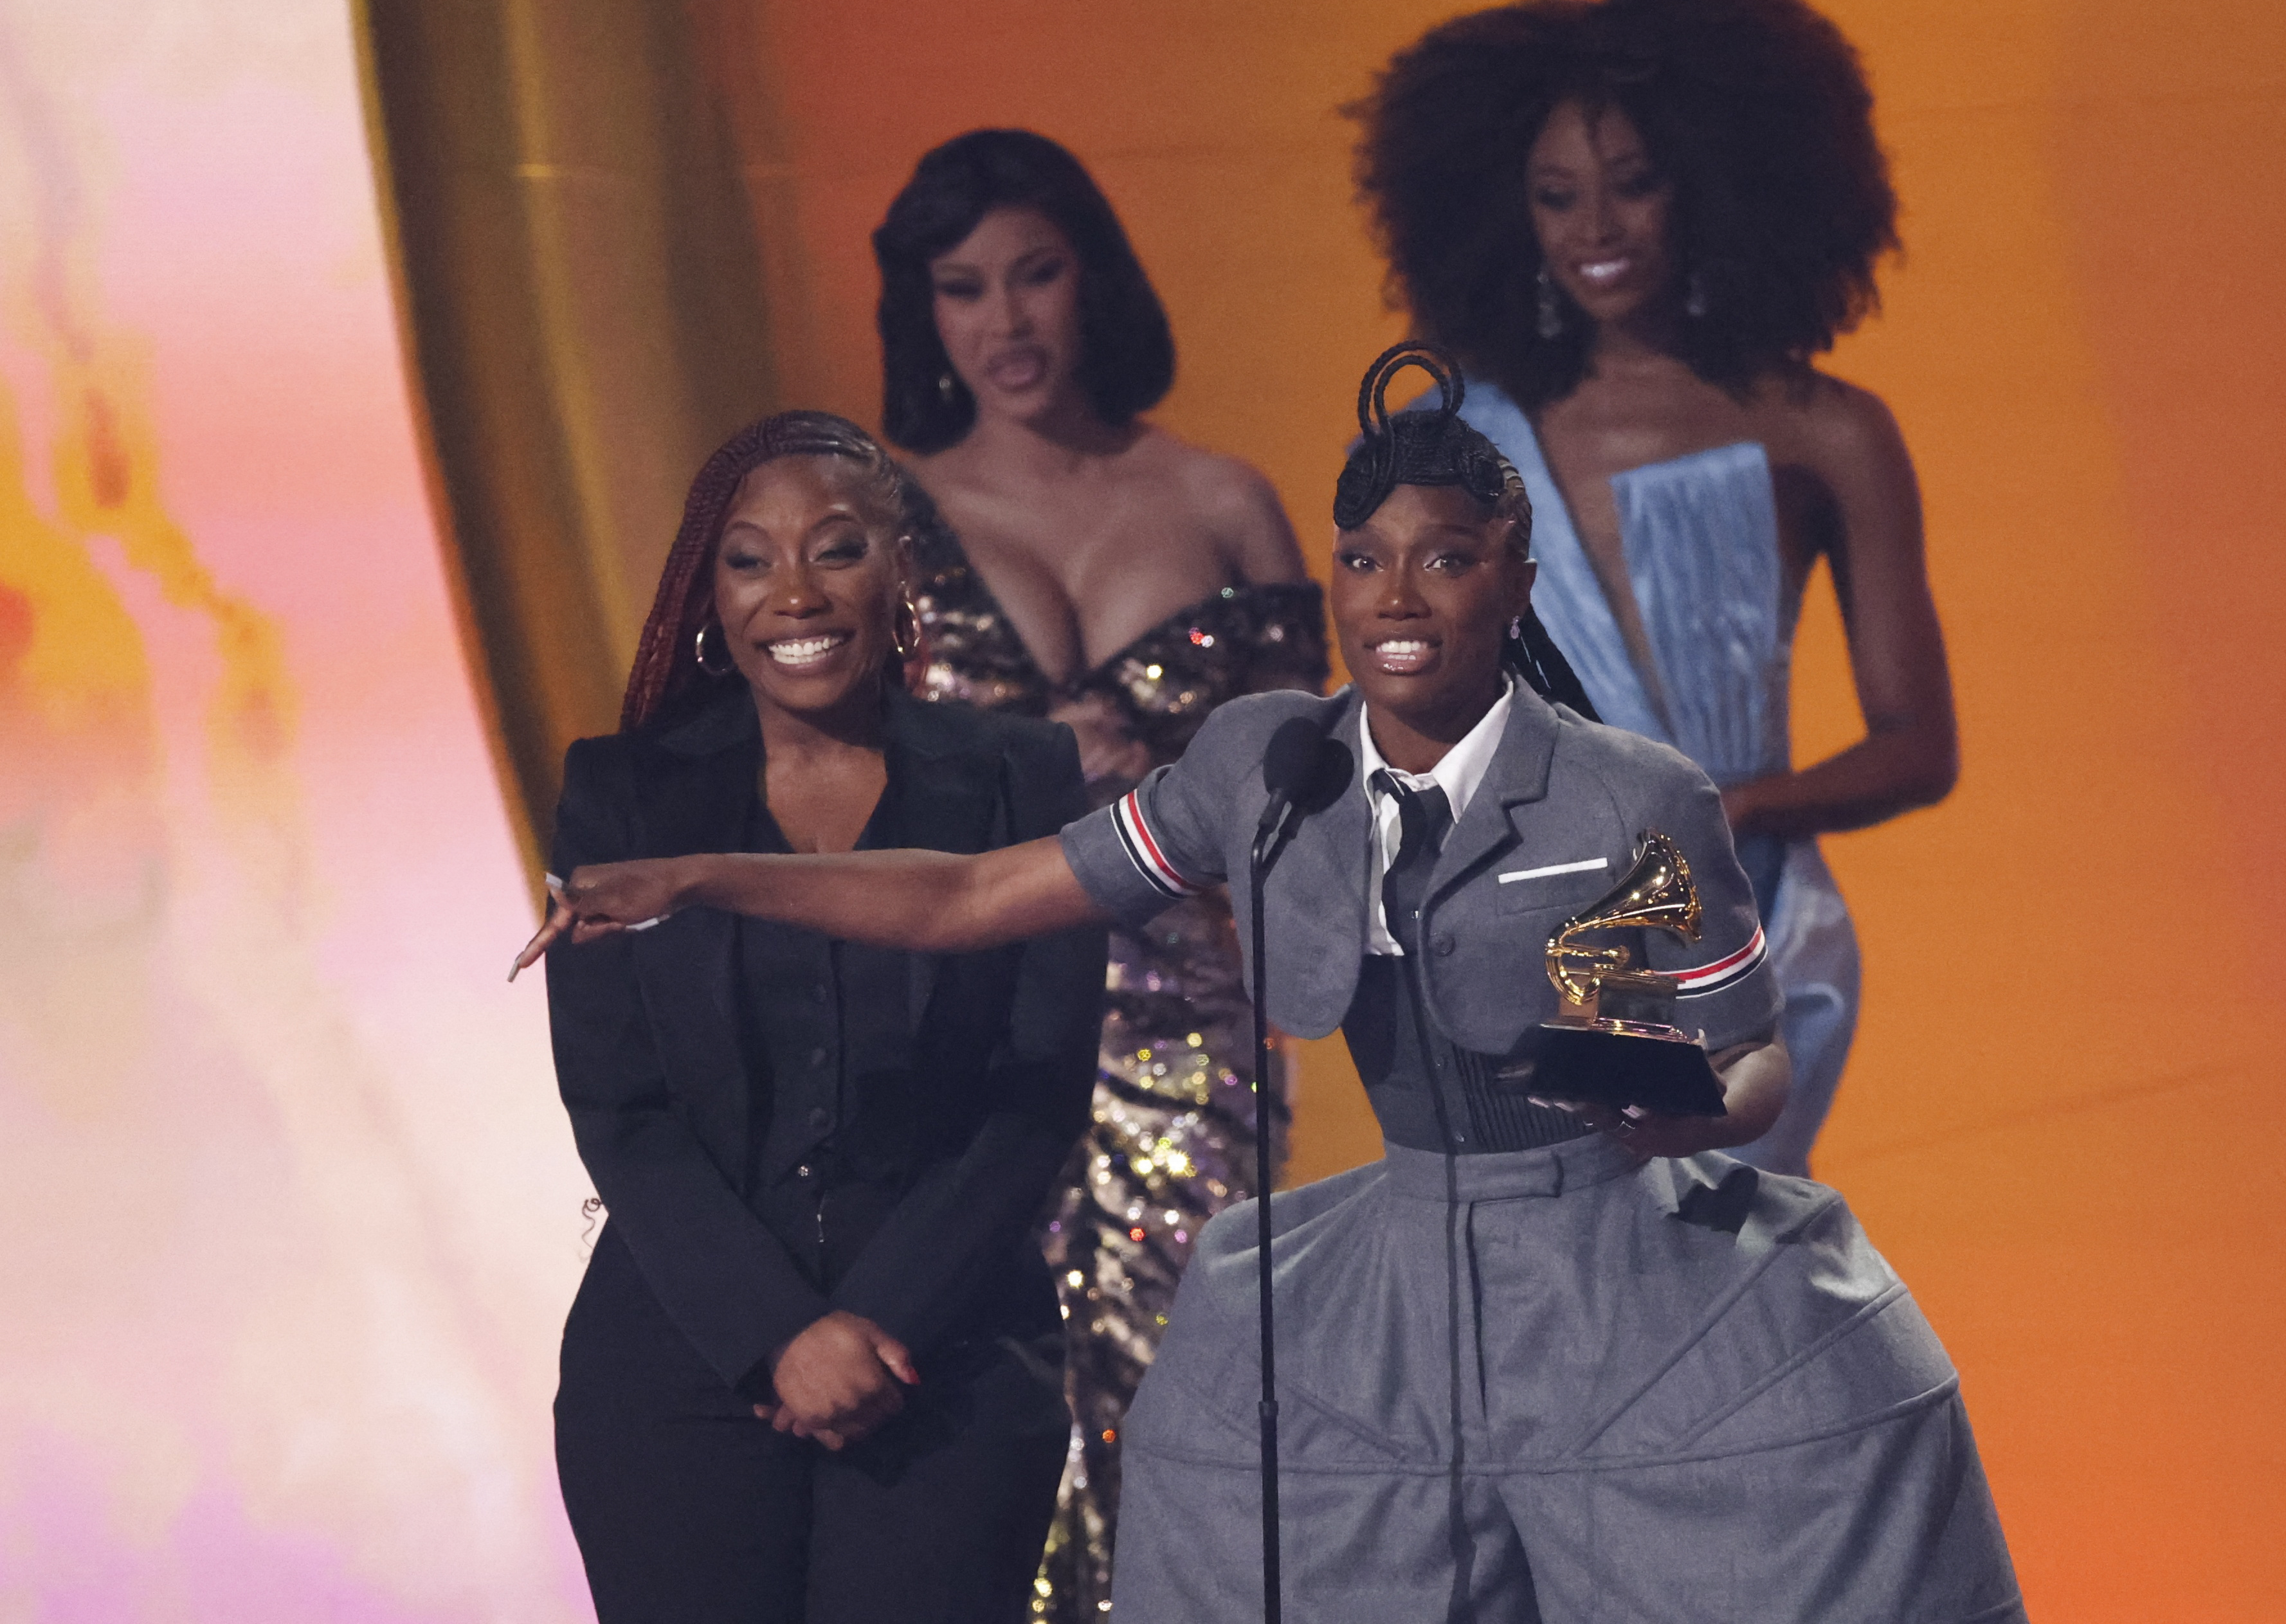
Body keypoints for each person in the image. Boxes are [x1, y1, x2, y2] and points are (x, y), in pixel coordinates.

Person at [519, 347, 2024, 1623]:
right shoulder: (1268, 762)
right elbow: (974, 894)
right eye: (1363, 559)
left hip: (1623, 1282)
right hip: (1387, 1290)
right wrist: (705, 876)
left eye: (1445, 559)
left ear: (1516, 578)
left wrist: (1667, 1102)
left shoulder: (1635, 793)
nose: (1396, 596)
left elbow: (1752, 1060)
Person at [1350, 0, 1961, 1175]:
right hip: (1507, 929)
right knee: (1533, 1266)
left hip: (1745, 930)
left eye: (1635, 183)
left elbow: (1916, 746)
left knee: (1709, 1255)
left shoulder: (1825, 432)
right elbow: (1398, 711)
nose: (1596, 228)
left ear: (1717, 181)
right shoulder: (1445, 440)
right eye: (1556, 196)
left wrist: (1729, 812)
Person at [537, 410, 1105, 1622]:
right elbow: (622, 1106)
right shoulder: (623, 795)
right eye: (750, 560)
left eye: (836, 549)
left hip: (947, 1363)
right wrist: (777, 1334)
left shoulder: (1021, 776)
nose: (795, 593)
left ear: (902, 573)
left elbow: (1040, 1084)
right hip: (680, 1368)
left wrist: (880, 1323)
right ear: (711, 596)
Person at [871, 127, 1326, 1614]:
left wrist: (1189, 799)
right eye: (961, 288)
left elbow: (1314, 801)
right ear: (923, 312)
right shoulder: (875, 521)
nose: (1003, 322)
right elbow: (833, 798)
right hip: (965, 1026)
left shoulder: (1223, 499)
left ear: (1096, 278)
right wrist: (1007, 775)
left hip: (1192, 1025)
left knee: (1194, 1401)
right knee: (980, 1408)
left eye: (1036, 274)